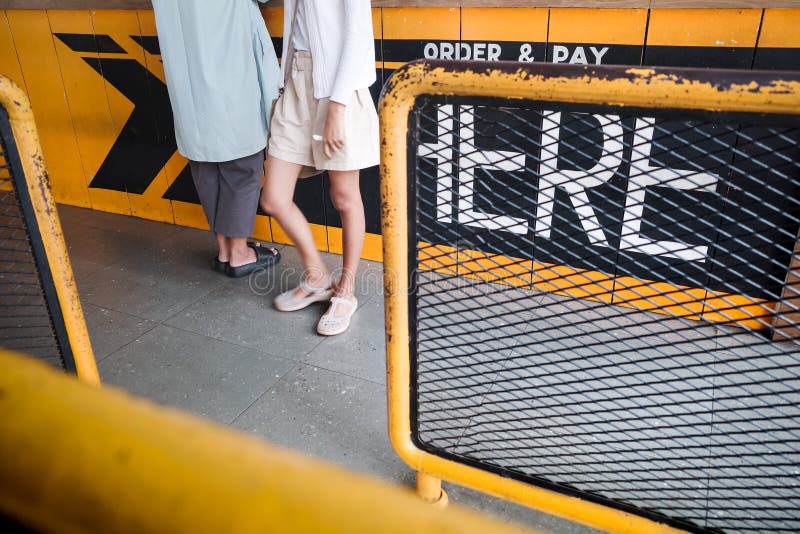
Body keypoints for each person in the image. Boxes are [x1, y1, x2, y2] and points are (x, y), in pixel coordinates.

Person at [260, 0, 379, 335]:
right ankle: (318, 278)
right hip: (296, 84)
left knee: (344, 196)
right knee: (273, 197)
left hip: (336, 87)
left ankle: (346, 291)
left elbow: (358, 34)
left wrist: (338, 108)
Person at [152, 0, 281, 277]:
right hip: (227, 67)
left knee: (204, 163)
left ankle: (224, 248)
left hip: (187, 78)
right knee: (242, 164)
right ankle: (239, 254)